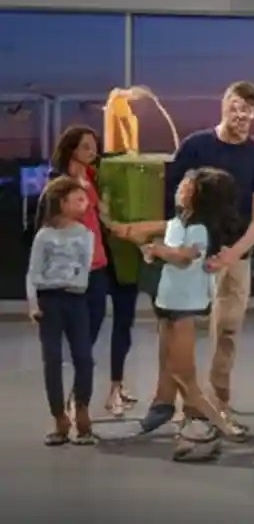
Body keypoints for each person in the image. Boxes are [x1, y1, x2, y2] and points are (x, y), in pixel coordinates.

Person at [137, 81, 254, 434]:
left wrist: (231, 256)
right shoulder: (195, 147)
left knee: (227, 330)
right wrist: (164, 244)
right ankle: (172, 401)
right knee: (176, 329)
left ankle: (218, 404)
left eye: (250, 109)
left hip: (234, 258)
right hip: (190, 257)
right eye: (237, 105)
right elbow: (172, 202)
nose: (242, 114)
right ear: (224, 104)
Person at [143, 167, 249, 460]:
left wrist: (160, 250)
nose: (180, 188)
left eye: (186, 186)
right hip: (167, 301)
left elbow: (184, 257)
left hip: (184, 306)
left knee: (184, 375)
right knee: (172, 369)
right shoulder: (178, 223)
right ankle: (169, 410)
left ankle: (221, 425)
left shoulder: (198, 229)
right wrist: (156, 251)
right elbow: (173, 254)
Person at [50, 125, 139, 418]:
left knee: (92, 330)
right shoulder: (60, 185)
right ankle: (73, 403)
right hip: (76, 270)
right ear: (72, 149)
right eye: (87, 147)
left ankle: (81, 398)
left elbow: (103, 216)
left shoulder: (91, 177)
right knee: (78, 337)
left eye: (94, 146)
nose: (93, 152)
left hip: (98, 264)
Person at [28, 176, 98, 446]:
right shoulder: (44, 235)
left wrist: (71, 283)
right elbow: (33, 273)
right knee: (52, 359)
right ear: (62, 202)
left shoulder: (85, 235)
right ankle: (58, 417)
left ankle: (82, 408)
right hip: (49, 302)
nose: (85, 204)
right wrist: (34, 303)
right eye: (79, 199)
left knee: (83, 356)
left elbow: (83, 271)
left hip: (76, 301)